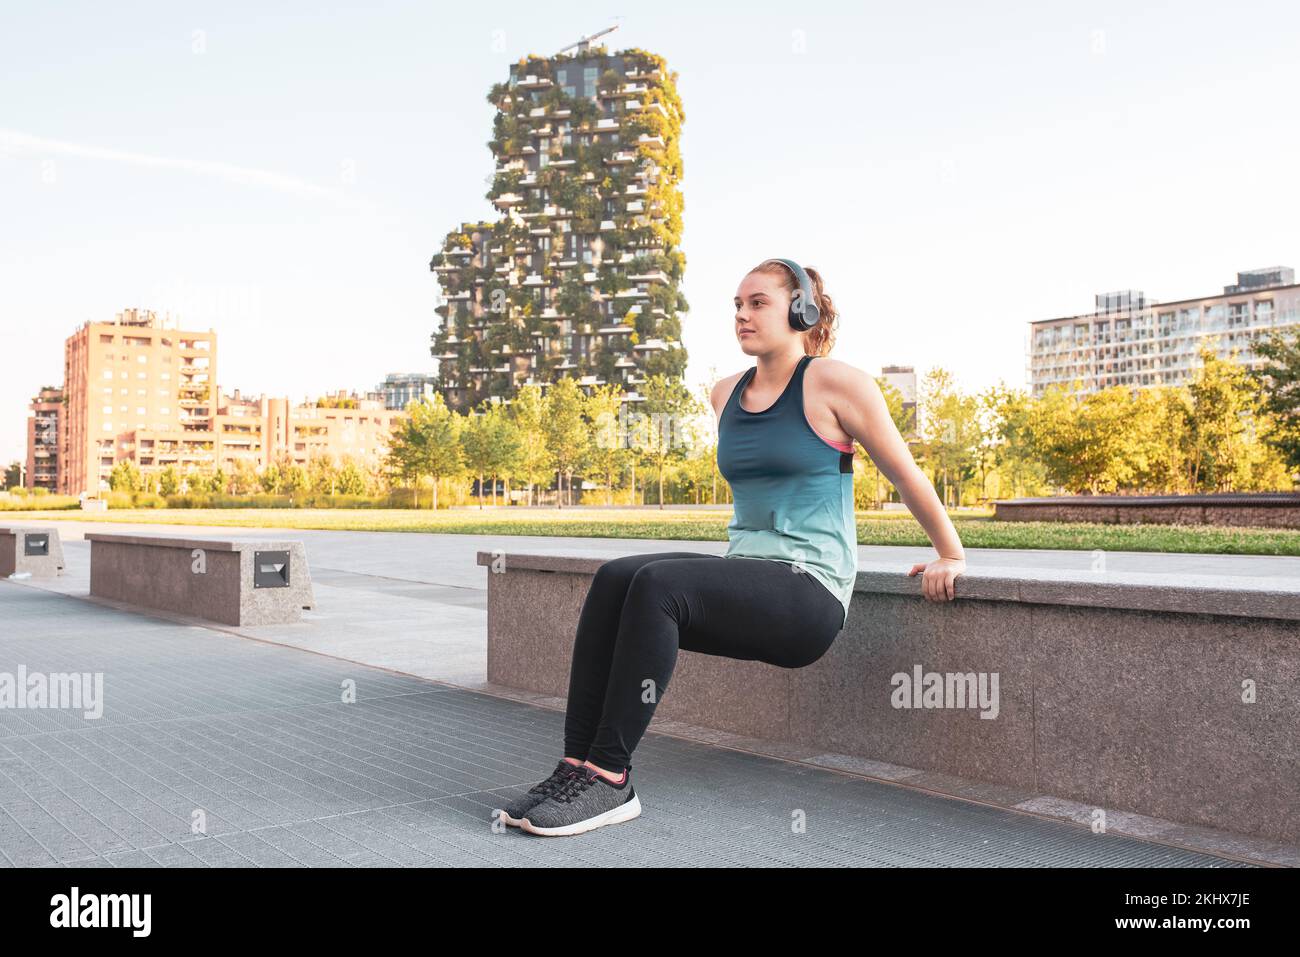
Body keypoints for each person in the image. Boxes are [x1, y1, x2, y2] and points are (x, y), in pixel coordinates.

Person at [493, 258, 967, 837]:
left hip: (808, 594)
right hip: (751, 576)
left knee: (659, 585)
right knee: (616, 576)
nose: (742, 315)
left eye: (758, 303)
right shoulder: (726, 394)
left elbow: (905, 472)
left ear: (801, 311)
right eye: (736, 305)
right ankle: (576, 769)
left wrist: (951, 552)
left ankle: (612, 779)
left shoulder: (837, 383)